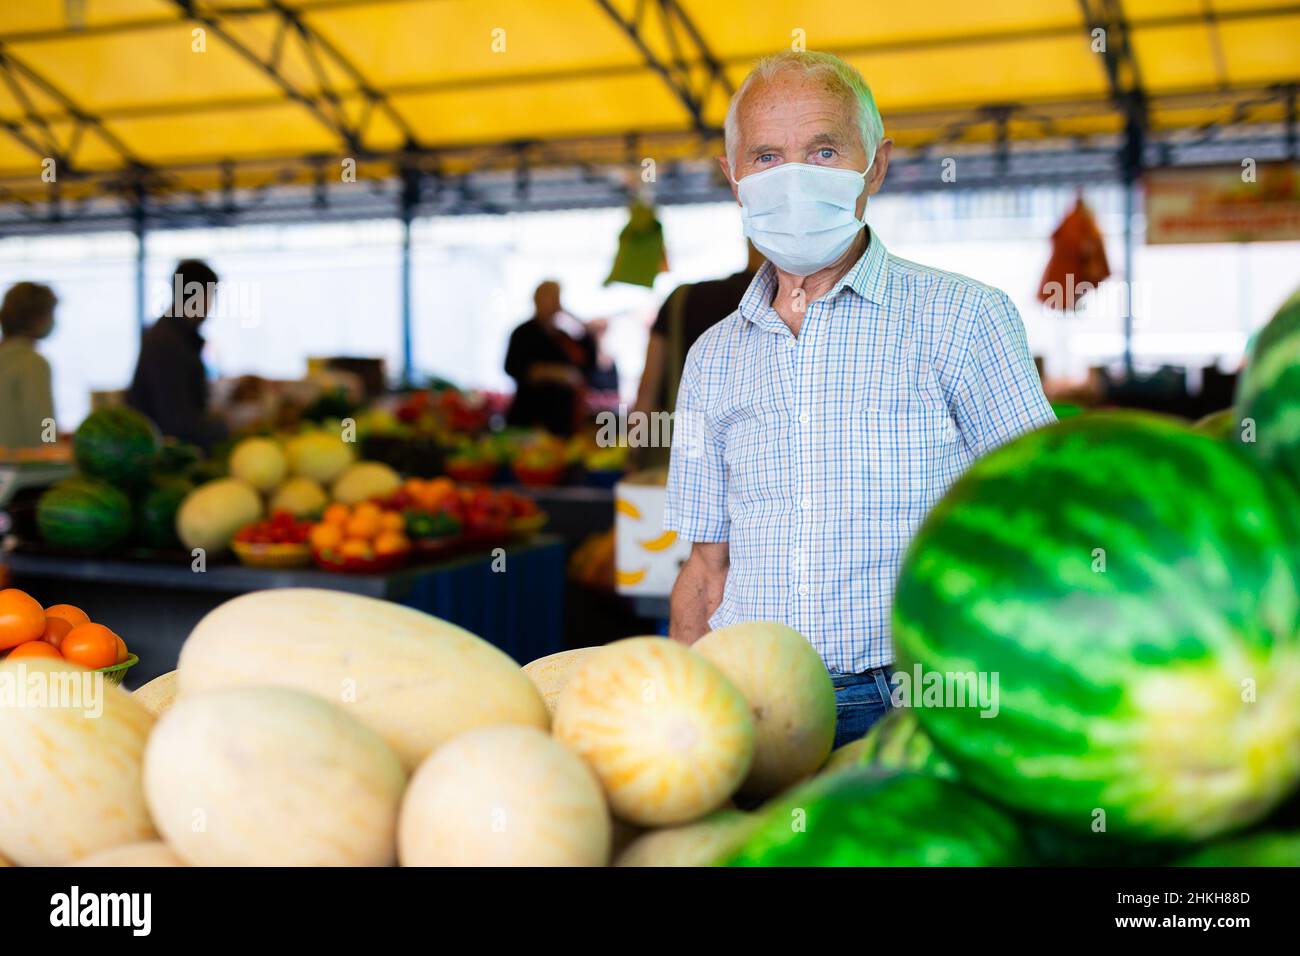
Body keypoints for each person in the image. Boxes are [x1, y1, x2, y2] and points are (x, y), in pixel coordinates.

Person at [663, 52, 1055, 749]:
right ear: (734, 178)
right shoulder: (710, 358)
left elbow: (1040, 521)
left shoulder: (965, 320)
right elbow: (704, 566)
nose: (793, 177)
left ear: (874, 164)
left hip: (914, 700)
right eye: (765, 155)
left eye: (822, 149)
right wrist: (682, 715)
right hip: (746, 701)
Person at [632, 242, 765, 467]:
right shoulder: (788, 305)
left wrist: (632, 455)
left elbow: (648, 389)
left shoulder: (681, 299)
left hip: (681, 450)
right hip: (755, 454)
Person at [127, 259, 228, 449]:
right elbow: (179, 425)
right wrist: (228, 426)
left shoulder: (175, 336)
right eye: (212, 295)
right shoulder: (168, 344)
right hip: (164, 458)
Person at [504, 280, 595, 436]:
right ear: (537, 300)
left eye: (557, 298)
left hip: (560, 421)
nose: (554, 303)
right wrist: (551, 372)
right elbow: (512, 367)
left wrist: (575, 319)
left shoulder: (563, 336)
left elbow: (588, 362)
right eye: (550, 297)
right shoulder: (523, 333)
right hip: (529, 416)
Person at [0, 282, 58, 449]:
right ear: (38, 318)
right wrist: (53, 448)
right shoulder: (32, 362)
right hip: (23, 469)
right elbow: (45, 423)